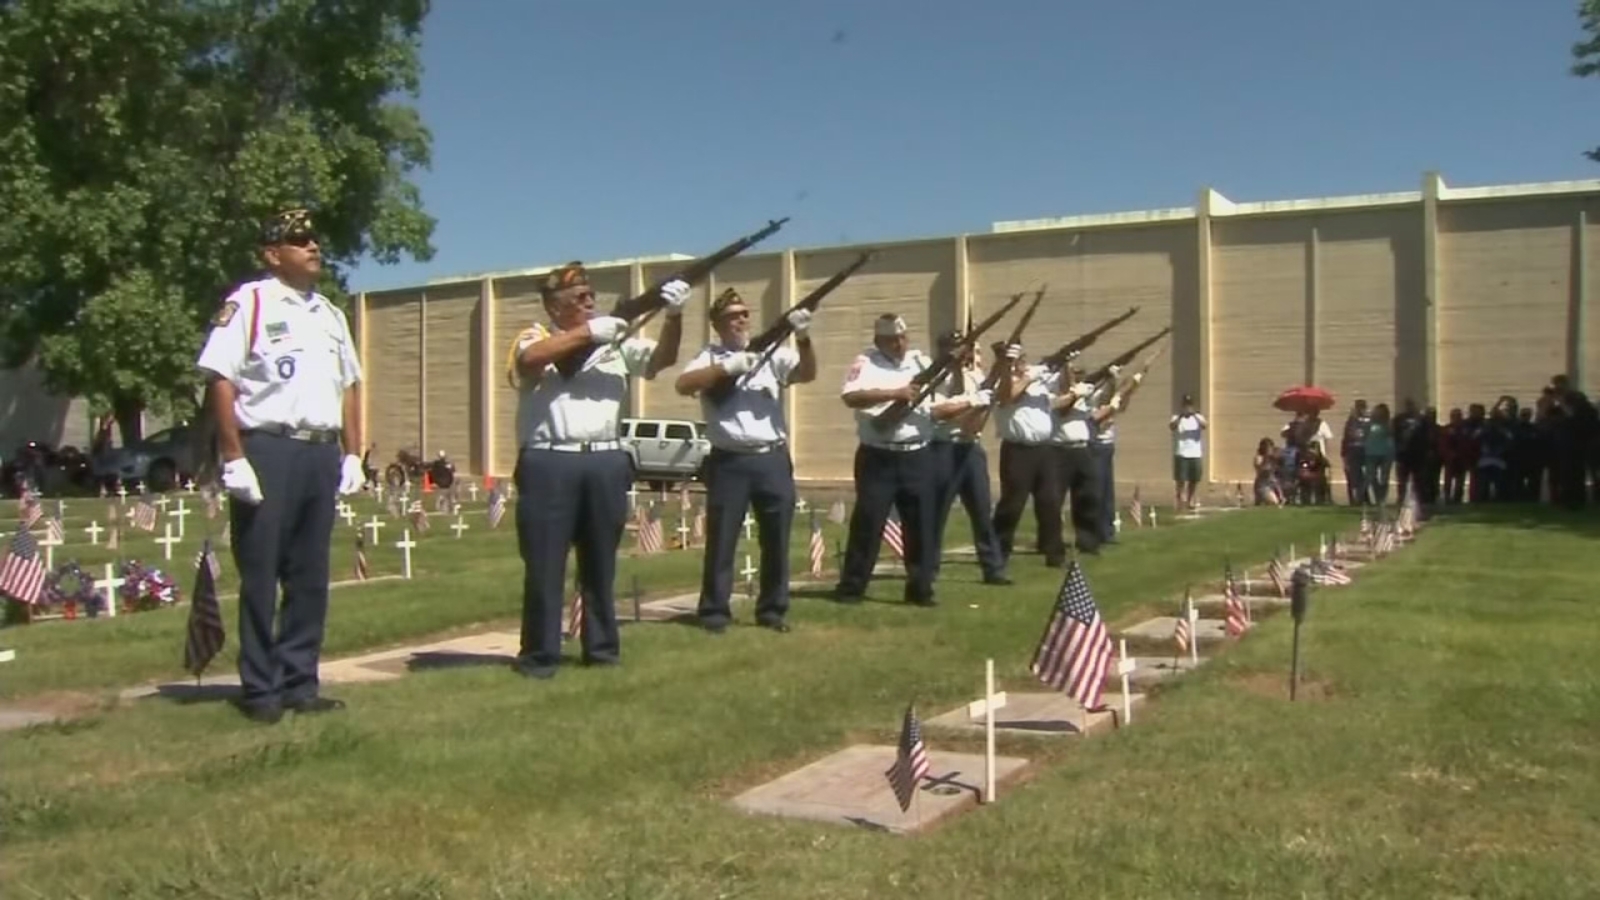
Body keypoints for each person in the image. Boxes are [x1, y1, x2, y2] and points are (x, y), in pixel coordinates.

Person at [195, 207, 367, 724]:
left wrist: (354, 452)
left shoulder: (331, 315)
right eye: (299, 240)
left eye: (315, 240)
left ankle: (300, 681)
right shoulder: (248, 303)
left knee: (310, 574)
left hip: (318, 451)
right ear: (273, 255)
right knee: (262, 571)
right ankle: (261, 688)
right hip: (268, 447)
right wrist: (233, 457)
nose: (313, 247)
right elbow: (220, 378)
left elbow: (350, 386)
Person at [506, 261, 688, 678]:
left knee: (601, 563)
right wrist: (589, 333)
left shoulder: (616, 342)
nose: (591, 303)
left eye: (592, 297)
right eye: (579, 299)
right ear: (555, 308)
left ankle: (602, 650)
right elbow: (530, 360)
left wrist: (674, 316)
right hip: (550, 459)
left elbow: (661, 359)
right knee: (545, 565)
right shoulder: (537, 336)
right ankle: (539, 655)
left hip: (606, 459)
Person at [674, 288, 817, 633]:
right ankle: (714, 612)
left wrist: (804, 337)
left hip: (771, 458)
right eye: (733, 316)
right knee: (722, 540)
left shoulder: (773, 353)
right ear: (717, 323)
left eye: (744, 314)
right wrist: (727, 368)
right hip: (730, 461)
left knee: (776, 539)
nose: (741, 320)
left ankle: (772, 610)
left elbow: (807, 373)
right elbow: (684, 384)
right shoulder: (708, 356)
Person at [834, 314, 939, 606]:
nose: (899, 344)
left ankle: (921, 588)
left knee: (920, 525)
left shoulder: (920, 361)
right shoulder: (865, 362)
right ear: (878, 341)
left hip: (917, 452)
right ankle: (852, 587)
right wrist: (896, 393)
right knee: (868, 523)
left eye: (903, 337)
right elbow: (851, 396)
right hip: (878, 454)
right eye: (892, 339)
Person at [926, 331, 1009, 585]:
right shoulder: (935, 378)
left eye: (965, 348)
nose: (963, 353)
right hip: (942, 447)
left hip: (971, 448)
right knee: (936, 513)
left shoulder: (975, 376)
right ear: (943, 349)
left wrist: (1003, 363)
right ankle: (929, 569)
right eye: (955, 347)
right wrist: (972, 403)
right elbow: (938, 413)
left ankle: (992, 568)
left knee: (982, 511)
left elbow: (999, 398)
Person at [990, 342, 1066, 567]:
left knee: (1050, 502)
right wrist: (1028, 377)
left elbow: (1064, 389)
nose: (1021, 364)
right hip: (1018, 450)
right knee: (1013, 504)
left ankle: (1055, 553)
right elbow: (1007, 397)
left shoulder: (1038, 382)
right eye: (1016, 360)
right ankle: (999, 551)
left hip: (1044, 449)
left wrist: (1065, 362)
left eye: (1022, 359)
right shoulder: (1001, 380)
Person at [1169, 394, 1207, 510]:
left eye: (1189, 405)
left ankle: (1190, 500)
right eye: (1186, 405)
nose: (1187, 408)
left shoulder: (1198, 417)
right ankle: (1179, 500)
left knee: (1194, 479)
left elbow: (1204, 426)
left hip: (1195, 453)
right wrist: (1181, 416)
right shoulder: (1176, 417)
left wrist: (1194, 415)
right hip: (1182, 453)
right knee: (1181, 480)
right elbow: (1172, 426)